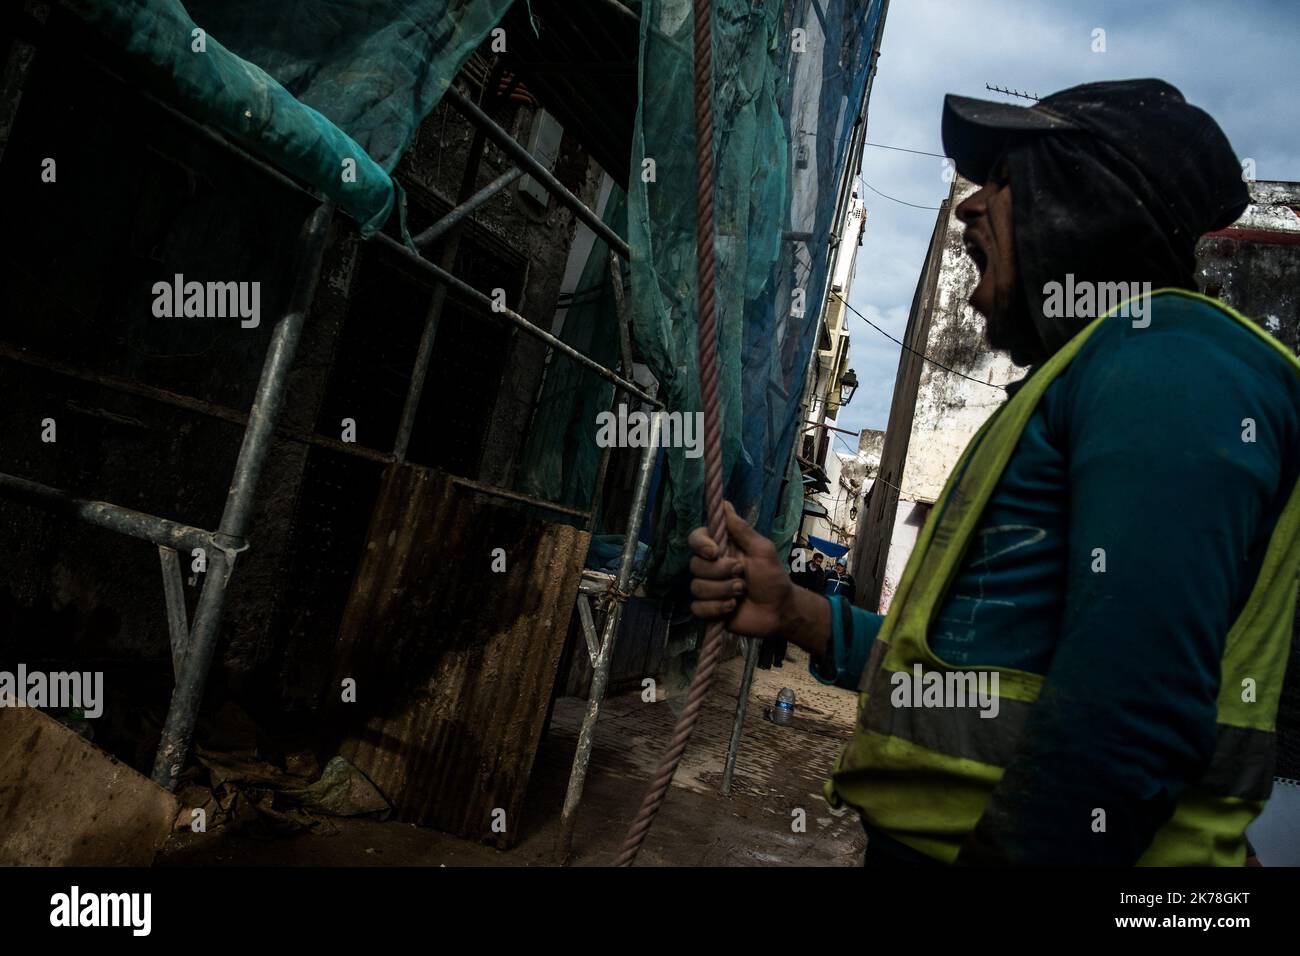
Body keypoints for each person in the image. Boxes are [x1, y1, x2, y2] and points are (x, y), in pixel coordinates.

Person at [687, 79, 1300, 866]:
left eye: (1004, 179)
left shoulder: (1170, 365)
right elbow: (977, 679)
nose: (969, 207)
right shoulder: (1106, 373)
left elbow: (1125, 718)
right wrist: (795, 612)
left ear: (1089, 203)